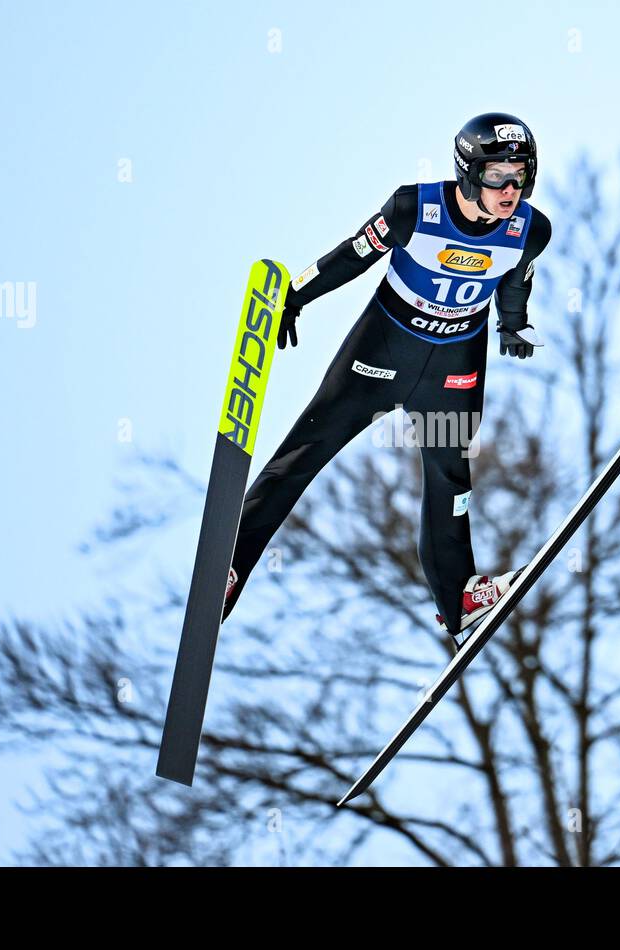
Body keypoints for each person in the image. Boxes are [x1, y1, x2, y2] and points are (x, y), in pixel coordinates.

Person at [222, 111, 552, 645]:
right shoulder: (412, 208)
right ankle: (229, 566)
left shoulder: (529, 228)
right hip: (381, 355)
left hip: (453, 370)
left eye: (520, 176)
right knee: (305, 451)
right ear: (469, 172)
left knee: (451, 481)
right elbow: (352, 256)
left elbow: (516, 279)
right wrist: (295, 294)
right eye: (497, 176)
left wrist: (514, 325)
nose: (510, 189)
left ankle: (460, 600)